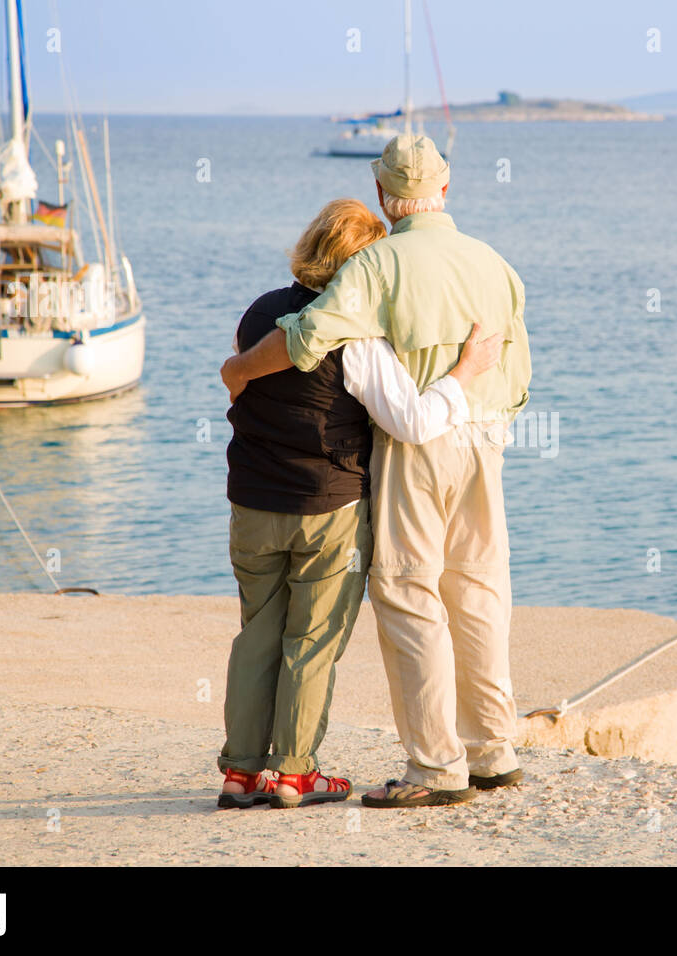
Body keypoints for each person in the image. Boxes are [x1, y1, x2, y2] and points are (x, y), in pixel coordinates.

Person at [221, 135, 531, 808]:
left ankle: (436, 767)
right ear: (446, 190)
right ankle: (494, 752)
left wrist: (241, 369)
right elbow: (520, 377)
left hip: (419, 444)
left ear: (388, 199)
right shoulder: (496, 264)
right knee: (479, 593)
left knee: (410, 597)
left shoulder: (377, 264)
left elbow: (308, 336)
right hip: (487, 438)